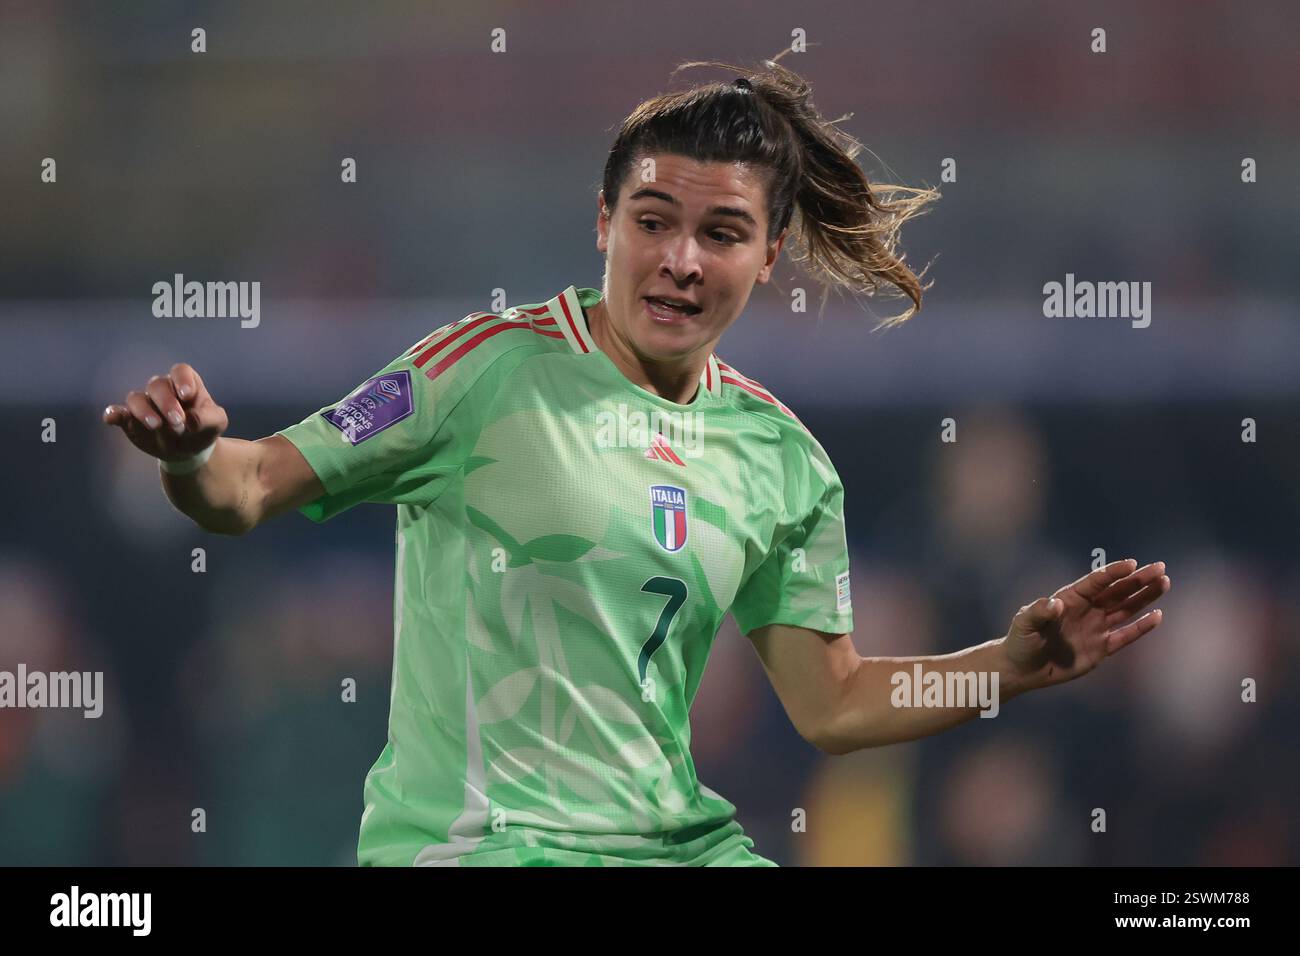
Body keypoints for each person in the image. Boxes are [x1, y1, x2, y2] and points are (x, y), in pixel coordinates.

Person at [102, 54, 1170, 866]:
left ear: (769, 252)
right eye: (653, 221)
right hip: (485, 848)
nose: (681, 260)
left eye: (723, 233)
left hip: (676, 846)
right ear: (604, 222)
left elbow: (835, 704)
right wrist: (191, 455)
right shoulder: (487, 370)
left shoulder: (781, 460)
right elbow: (246, 486)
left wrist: (1008, 667)